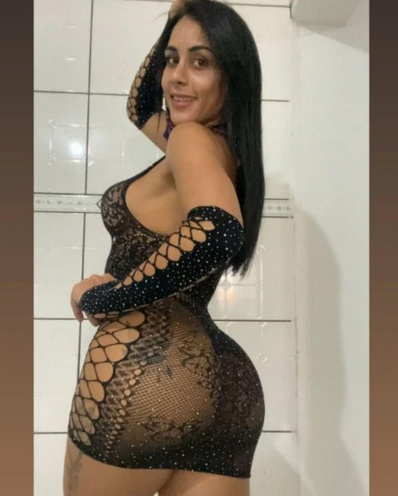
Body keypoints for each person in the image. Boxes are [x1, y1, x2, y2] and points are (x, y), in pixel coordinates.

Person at [64, 0, 265, 495]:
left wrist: (104, 298)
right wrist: (177, 17)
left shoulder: (190, 140)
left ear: (232, 76)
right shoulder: (225, 151)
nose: (175, 76)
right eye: (171, 59)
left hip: (143, 371)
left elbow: (217, 230)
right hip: (226, 386)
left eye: (200, 62)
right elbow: (139, 107)